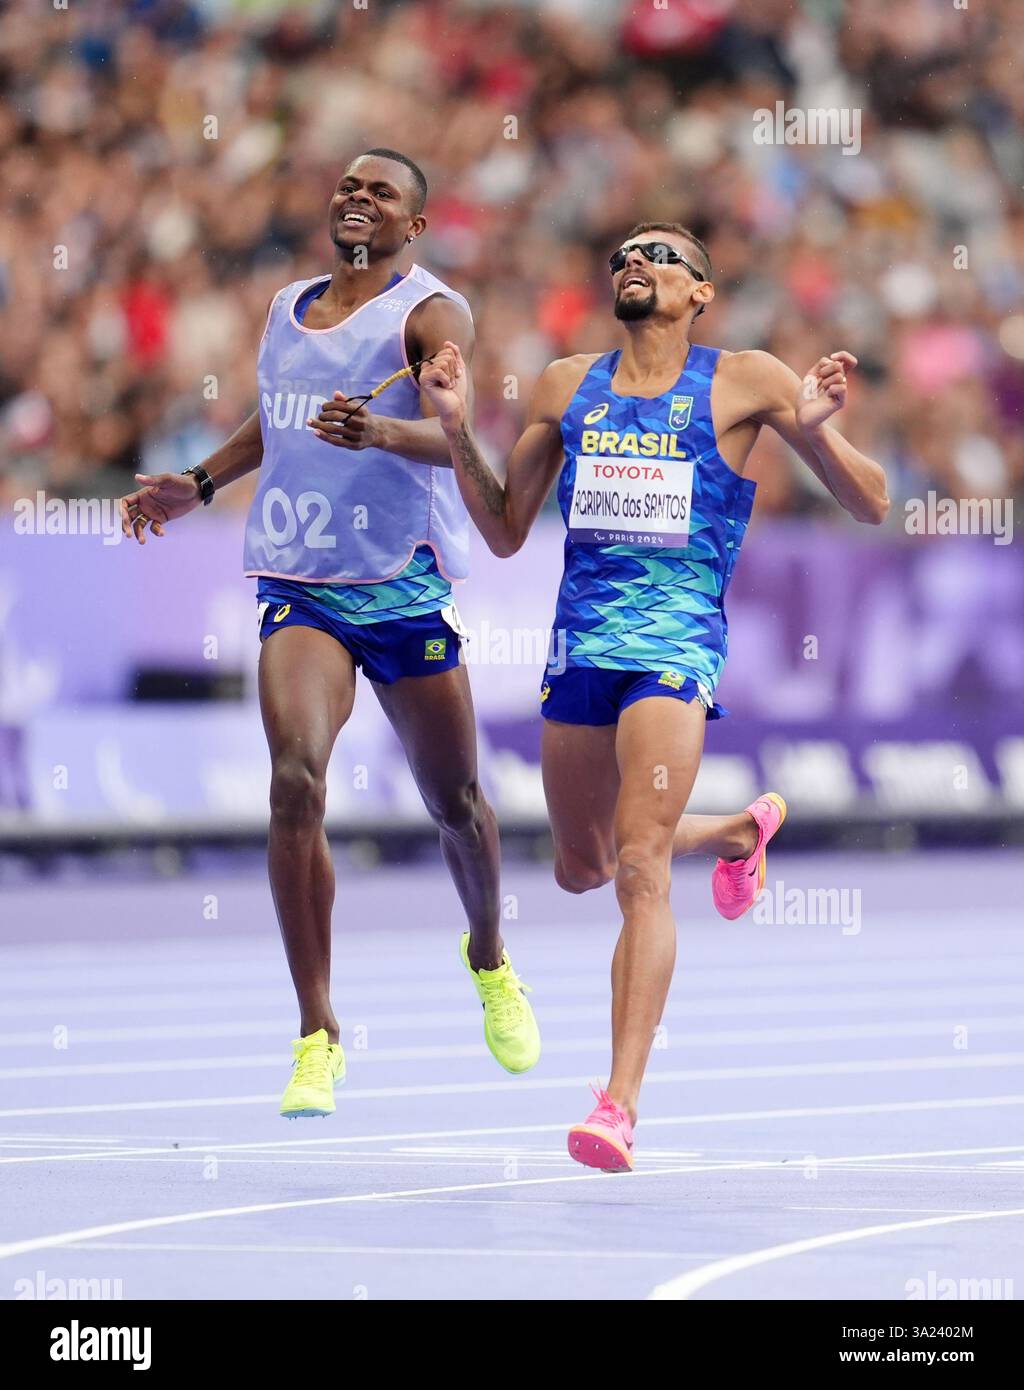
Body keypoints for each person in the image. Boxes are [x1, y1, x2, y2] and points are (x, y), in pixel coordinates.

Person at [419, 221, 890, 1170]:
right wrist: (454, 427)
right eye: (623, 255)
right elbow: (507, 529)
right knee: (581, 865)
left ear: (700, 292)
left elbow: (871, 503)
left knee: (638, 865)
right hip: (579, 647)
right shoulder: (565, 384)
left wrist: (825, 434)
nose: (634, 262)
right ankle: (731, 832)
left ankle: (618, 1104)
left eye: (660, 255)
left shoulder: (745, 379)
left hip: (675, 647)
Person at [119, 149, 540, 1121]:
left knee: (457, 801)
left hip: (398, 583)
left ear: (414, 227)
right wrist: (203, 482)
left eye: (381, 191)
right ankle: (317, 1032)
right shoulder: (285, 307)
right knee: (295, 780)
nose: (358, 196)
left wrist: (385, 432)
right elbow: (279, 421)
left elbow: (460, 442)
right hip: (298, 581)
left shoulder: (434, 316)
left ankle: (488, 954)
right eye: (348, 185)